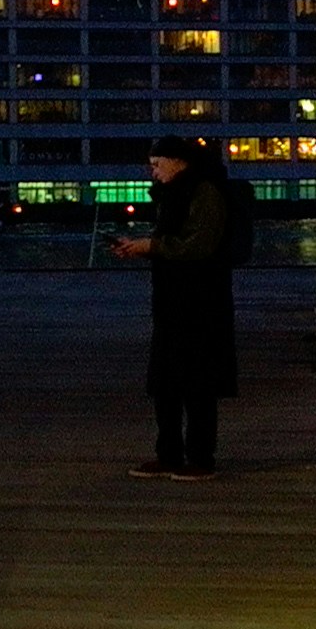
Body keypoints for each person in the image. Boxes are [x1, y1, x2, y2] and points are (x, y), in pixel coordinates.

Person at [115, 138, 241, 479]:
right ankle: (170, 454)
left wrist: (151, 246)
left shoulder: (205, 193)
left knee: (196, 379)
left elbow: (200, 244)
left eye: (157, 164)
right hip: (174, 298)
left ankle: (200, 458)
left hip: (201, 301)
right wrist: (146, 247)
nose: (153, 172)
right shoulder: (179, 194)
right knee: (167, 379)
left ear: (178, 161)